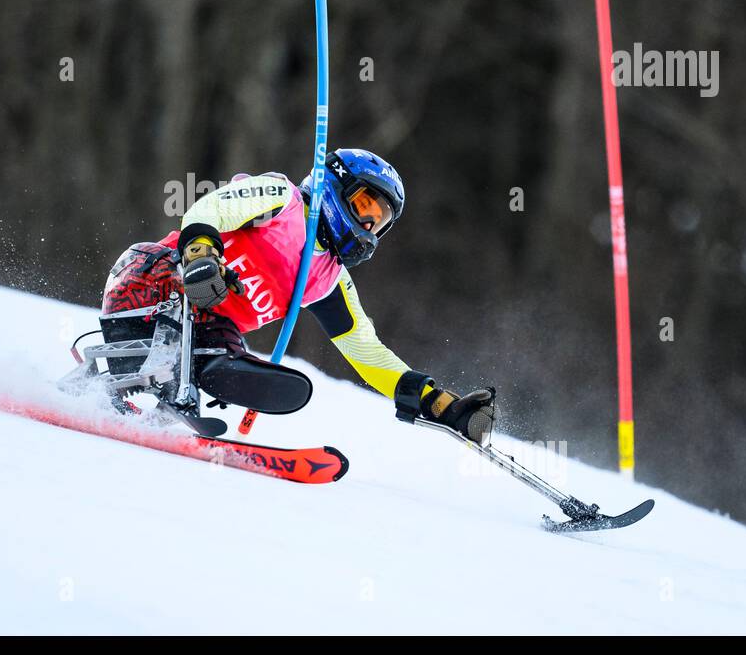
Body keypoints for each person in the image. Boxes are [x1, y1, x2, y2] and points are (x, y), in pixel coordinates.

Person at [101, 148, 495, 443]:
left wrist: (432, 400)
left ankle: (210, 376)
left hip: (205, 331)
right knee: (193, 315)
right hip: (153, 281)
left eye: (378, 220)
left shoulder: (327, 278)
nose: (368, 224)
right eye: (363, 206)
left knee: (221, 345)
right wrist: (201, 255)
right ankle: (184, 371)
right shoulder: (283, 199)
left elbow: (367, 351)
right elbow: (211, 208)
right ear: (335, 184)